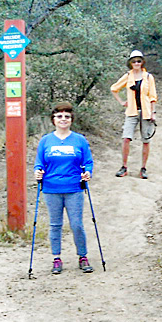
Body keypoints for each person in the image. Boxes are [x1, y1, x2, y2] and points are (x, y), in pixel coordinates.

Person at [35, 102, 95, 275]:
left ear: (71, 119)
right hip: (51, 188)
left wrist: (88, 172)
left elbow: (88, 161)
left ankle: (82, 256)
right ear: (53, 119)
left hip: (74, 188)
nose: (63, 119)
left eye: (67, 116)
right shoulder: (46, 140)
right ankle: (56, 258)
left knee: (76, 224)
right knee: (55, 225)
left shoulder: (79, 140)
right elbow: (39, 162)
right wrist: (38, 172)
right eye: (59, 116)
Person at [110, 50, 157, 179]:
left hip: (146, 112)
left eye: (139, 61)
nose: (136, 63)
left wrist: (153, 112)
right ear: (130, 63)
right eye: (134, 61)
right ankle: (124, 166)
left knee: (146, 140)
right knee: (126, 138)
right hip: (131, 112)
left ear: (142, 62)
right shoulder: (127, 76)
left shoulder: (148, 77)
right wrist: (121, 102)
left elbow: (153, 96)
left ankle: (143, 168)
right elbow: (114, 88)